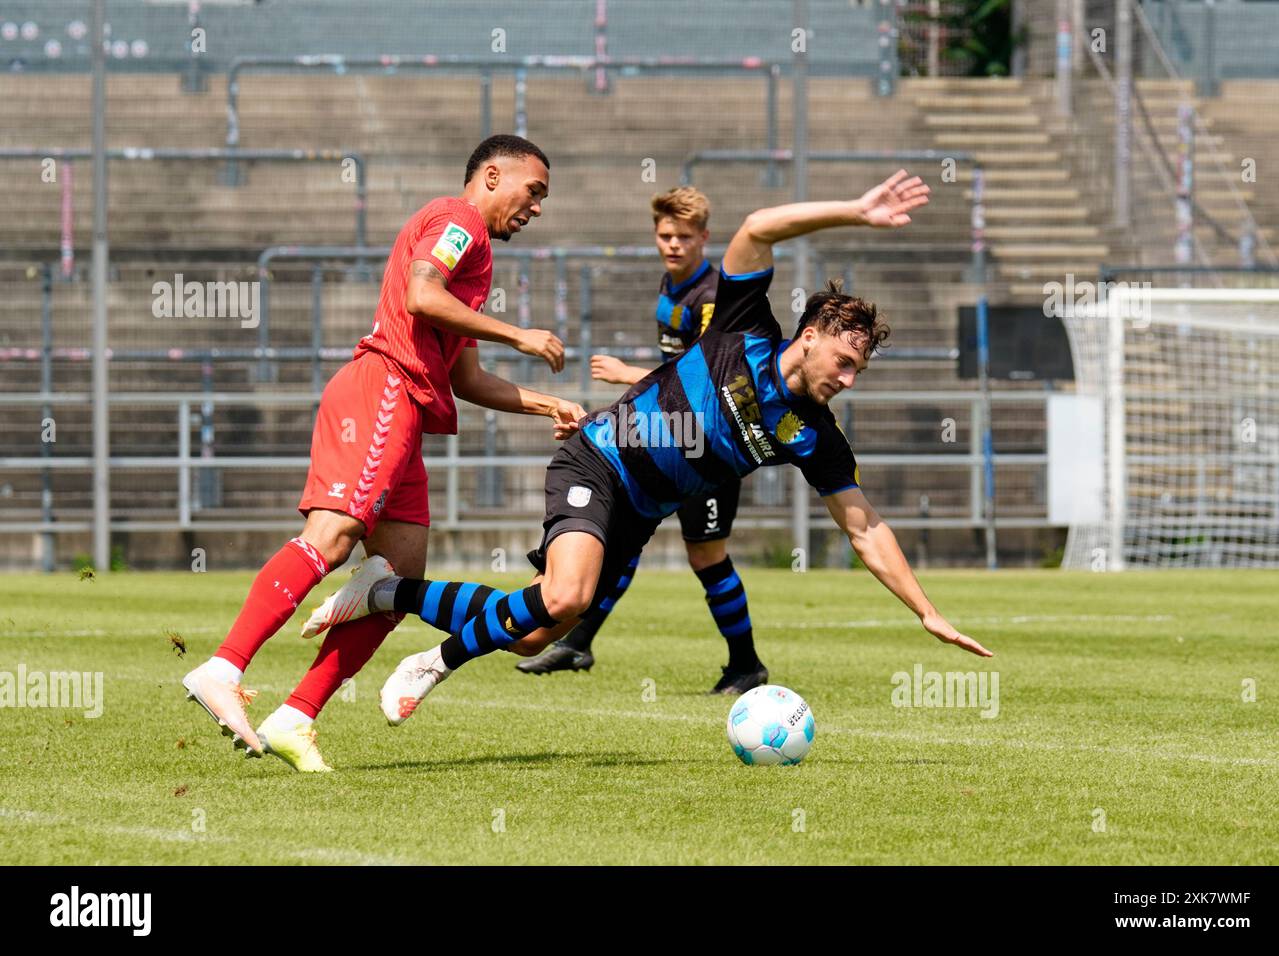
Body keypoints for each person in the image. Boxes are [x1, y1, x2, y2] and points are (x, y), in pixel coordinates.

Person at [304, 169, 992, 731]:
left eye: (856, 374)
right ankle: (435, 662)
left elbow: (864, 528)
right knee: (567, 597)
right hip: (600, 459)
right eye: (843, 362)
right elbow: (756, 228)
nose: (846, 381)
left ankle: (389, 590)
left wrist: (925, 610)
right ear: (808, 335)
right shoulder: (747, 326)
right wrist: (856, 211)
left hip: (641, 512)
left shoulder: (814, 435)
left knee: (536, 631)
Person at [181, 135, 585, 771]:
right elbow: (421, 295)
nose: (537, 207)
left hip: (410, 409)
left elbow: (468, 379)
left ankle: (295, 717)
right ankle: (223, 667)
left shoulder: (475, 261)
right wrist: (521, 334)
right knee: (334, 536)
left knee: (391, 583)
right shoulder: (460, 224)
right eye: (532, 191)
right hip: (384, 389)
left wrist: (547, 404)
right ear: (490, 175)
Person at [516, 186, 765, 693]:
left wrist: (627, 373)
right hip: (667, 438)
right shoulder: (670, 285)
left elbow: (707, 380)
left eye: (684, 237)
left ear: (705, 238)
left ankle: (746, 664)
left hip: (707, 445)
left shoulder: (712, 297)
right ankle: (577, 642)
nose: (673, 245)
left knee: (706, 555)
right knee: (624, 541)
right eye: (665, 235)